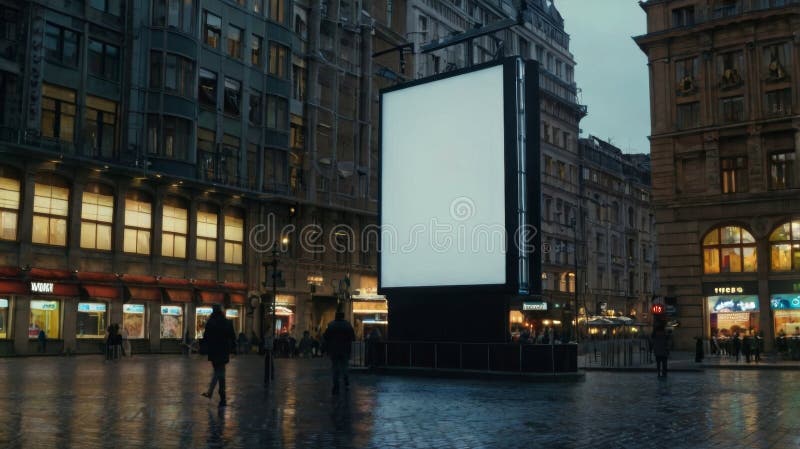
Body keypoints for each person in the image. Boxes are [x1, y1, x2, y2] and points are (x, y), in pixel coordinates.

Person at [200, 305, 236, 407]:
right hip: (224, 350)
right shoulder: (227, 322)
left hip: (214, 351)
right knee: (220, 371)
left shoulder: (210, 322)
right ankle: (221, 395)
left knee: (218, 371)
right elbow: (232, 336)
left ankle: (212, 392)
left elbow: (206, 337)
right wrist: (233, 348)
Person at [323, 310, 355, 395]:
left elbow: (326, 337)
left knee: (335, 367)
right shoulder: (347, 325)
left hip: (334, 349)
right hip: (345, 349)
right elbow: (353, 337)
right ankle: (346, 381)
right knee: (345, 366)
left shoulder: (331, 325)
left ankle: (336, 384)